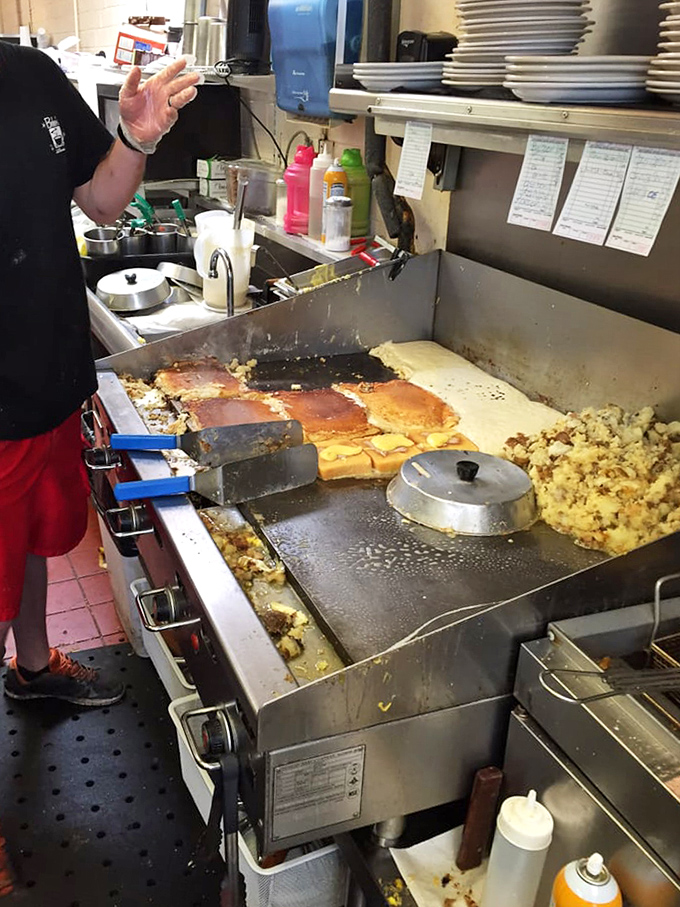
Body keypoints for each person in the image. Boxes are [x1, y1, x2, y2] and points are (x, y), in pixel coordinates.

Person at [0, 42, 199, 708]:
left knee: (31, 542)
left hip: (49, 379)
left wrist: (135, 138)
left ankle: (32, 667)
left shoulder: (29, 74)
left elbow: (104, 200)